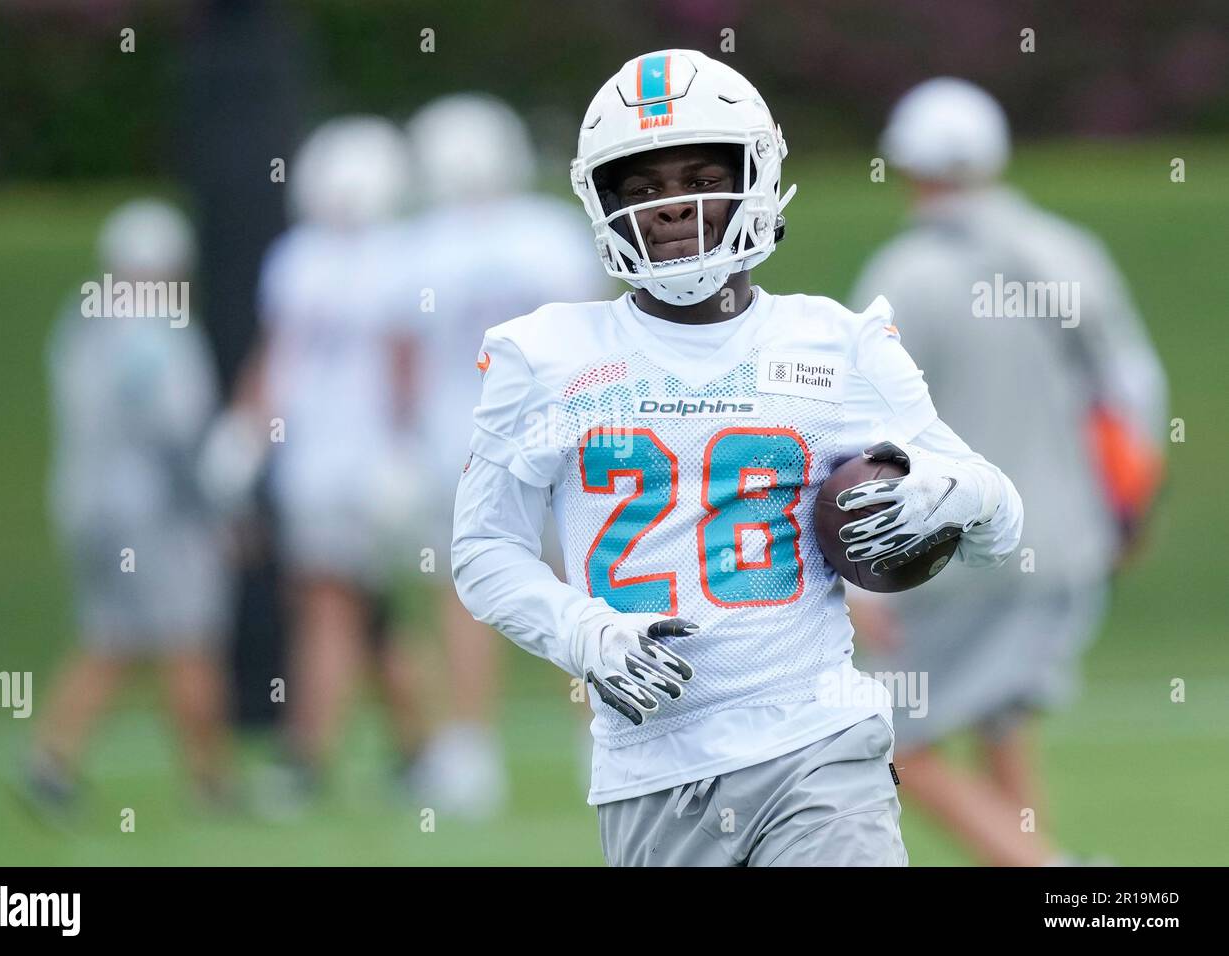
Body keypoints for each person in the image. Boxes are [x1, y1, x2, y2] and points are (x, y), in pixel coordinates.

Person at [451, 50, 1024, 866]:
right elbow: (482, 549)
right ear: (604, 203)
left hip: (817, 739)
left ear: (756, 179)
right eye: (643, 187)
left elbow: (1001, 519)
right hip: (653, 769)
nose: (672, 206)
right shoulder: (545, 357)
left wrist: (955, 493)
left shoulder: (838, 342)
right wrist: (581, 631)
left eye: (701, 178)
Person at [847, 77, 1168, 866]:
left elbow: (861, 432)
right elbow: (1133, 392)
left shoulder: (905, 276)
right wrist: (1127, 512)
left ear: (907, 164)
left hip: (952, 560)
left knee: (885, 742)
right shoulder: (1069, 254)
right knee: (1002, 722)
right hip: (1065, 545)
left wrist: (860, 582)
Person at [205, 117, 429, 814]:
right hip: (309, 460)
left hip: (365, 462)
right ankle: (424, 750)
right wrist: (244, 428)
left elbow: (407, 361)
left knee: (326, 603)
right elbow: (278, 354)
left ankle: (304, 758)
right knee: (360, 609)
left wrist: (402, 446)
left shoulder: (398, 256)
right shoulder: (297, 257)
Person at [403, 93, 610, 818]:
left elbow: (402, 358)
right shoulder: (552, 232)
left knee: (467, 592)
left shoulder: (421, 243)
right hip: (560, 431)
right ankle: (602, 731)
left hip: (460, 441)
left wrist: (397, 441)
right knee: (578, 580)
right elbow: (597, 333)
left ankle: (470, 751)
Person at [26, 199, 234, 821]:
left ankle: (49, 760)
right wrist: (214, 509)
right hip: (151, 511)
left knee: (110, 636)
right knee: (189, 636)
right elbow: (172, 431)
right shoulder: (157, 330)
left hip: (85, 502)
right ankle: (210, 780)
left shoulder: (81, 319)